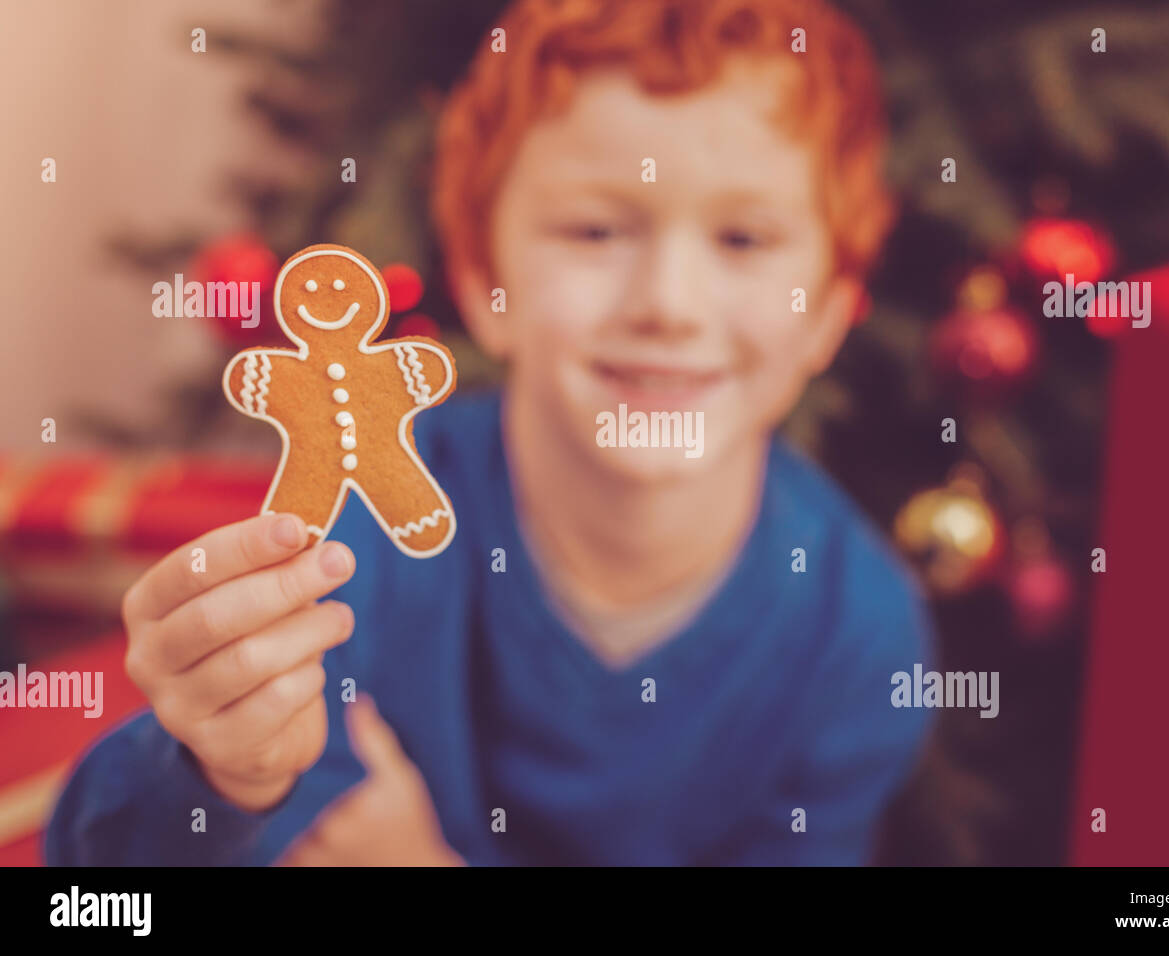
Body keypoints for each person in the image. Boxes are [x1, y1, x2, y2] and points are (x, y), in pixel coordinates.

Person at [46, 0, 934, 866]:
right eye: (595, 229)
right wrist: (219, 775)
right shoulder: (362, 540)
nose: (668, 303)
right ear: (480, 278)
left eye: (742, 239)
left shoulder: (856, 631)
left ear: (828, 310)